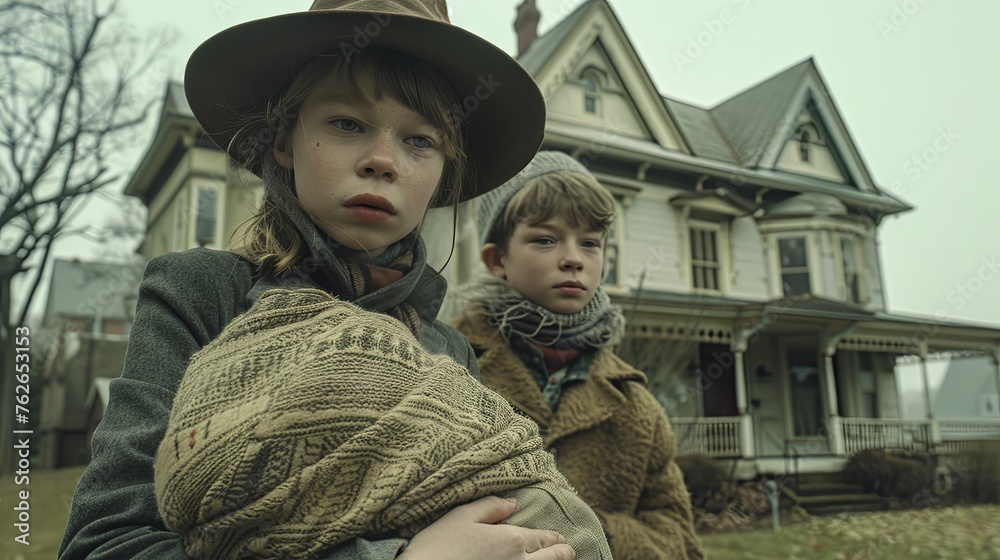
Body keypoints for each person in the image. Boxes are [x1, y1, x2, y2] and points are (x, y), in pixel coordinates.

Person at [58, 2, 583, 559]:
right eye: (347, 124)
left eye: (420, 140)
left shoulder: (446, 349)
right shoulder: (201, 295)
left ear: (442, 175)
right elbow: (106, 543)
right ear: (284, 140)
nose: (383, 160)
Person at [452, 151, 707, 560]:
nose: (573, 258)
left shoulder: (636, 406)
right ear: (497, 259)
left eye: (590, 243)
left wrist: (598, 532)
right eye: (545, 239)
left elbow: (681, 540)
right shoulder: (446, 367)